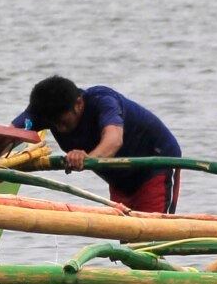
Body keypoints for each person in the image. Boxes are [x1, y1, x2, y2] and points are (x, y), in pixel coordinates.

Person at [13, 75, 181, 213]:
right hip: (120, 179)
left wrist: (87, 158)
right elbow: (9, 133)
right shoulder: (41, 111)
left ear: (78, 104)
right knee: (129, 240)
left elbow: (114, 140)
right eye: (53, 124)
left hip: (156, 165)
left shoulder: (103, 101)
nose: (59, 129)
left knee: (150, 240)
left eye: (63, 122)